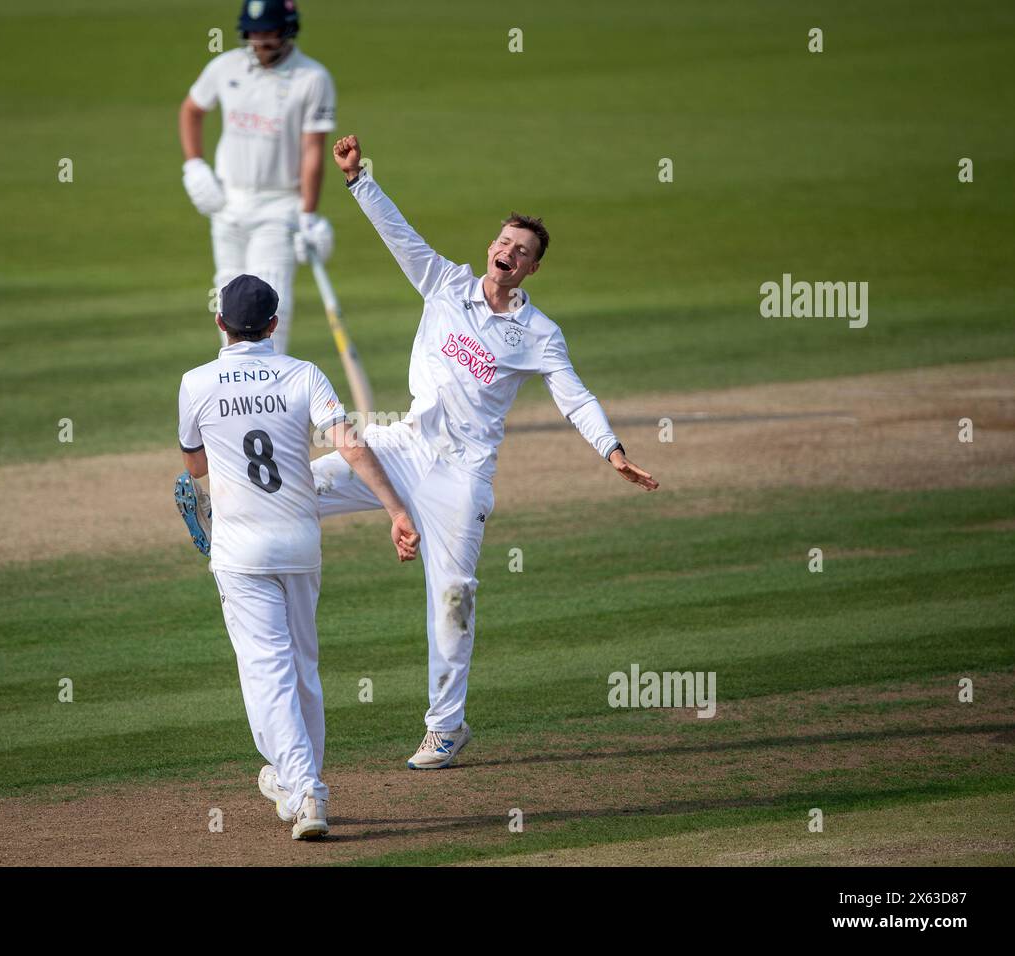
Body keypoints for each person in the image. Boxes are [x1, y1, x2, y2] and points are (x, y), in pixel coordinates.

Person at [310, 134, 660, 770]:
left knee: (453, 598)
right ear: (491, 249)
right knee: (303, 486)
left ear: (532, 269)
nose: (508, 253)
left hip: (462, 479)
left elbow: (574, 397)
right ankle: (227, 518)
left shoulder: (539, 333)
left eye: (521, 251)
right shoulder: (444, 282)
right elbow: (399, 234)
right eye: (503, 243)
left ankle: (446, 727)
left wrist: (611, 450)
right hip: (406, 444)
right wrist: (358, 179)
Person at [176, 274, 419, 839]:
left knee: (266, 668)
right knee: (302, 666)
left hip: (240, 549)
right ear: (273, 324)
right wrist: (395, 511)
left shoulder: (196, 382)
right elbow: (351, 445)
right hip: (301, 542)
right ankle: (295, 780)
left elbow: (195, 468)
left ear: (220, 324)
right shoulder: (302, 373)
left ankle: (305, 787)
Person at [178, 0, 336, 355]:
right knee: (229, 301)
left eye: (267, 32)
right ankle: (238, 396)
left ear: (287, 30)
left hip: (278, 207)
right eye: (253, 33)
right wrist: (194, 165)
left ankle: (274, 398)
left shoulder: (312, 78)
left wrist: (308, 214)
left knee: (269, 299)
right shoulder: (225, 67)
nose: (259, 41)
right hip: (227, 202)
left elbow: (313, 150)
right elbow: (192, 109)